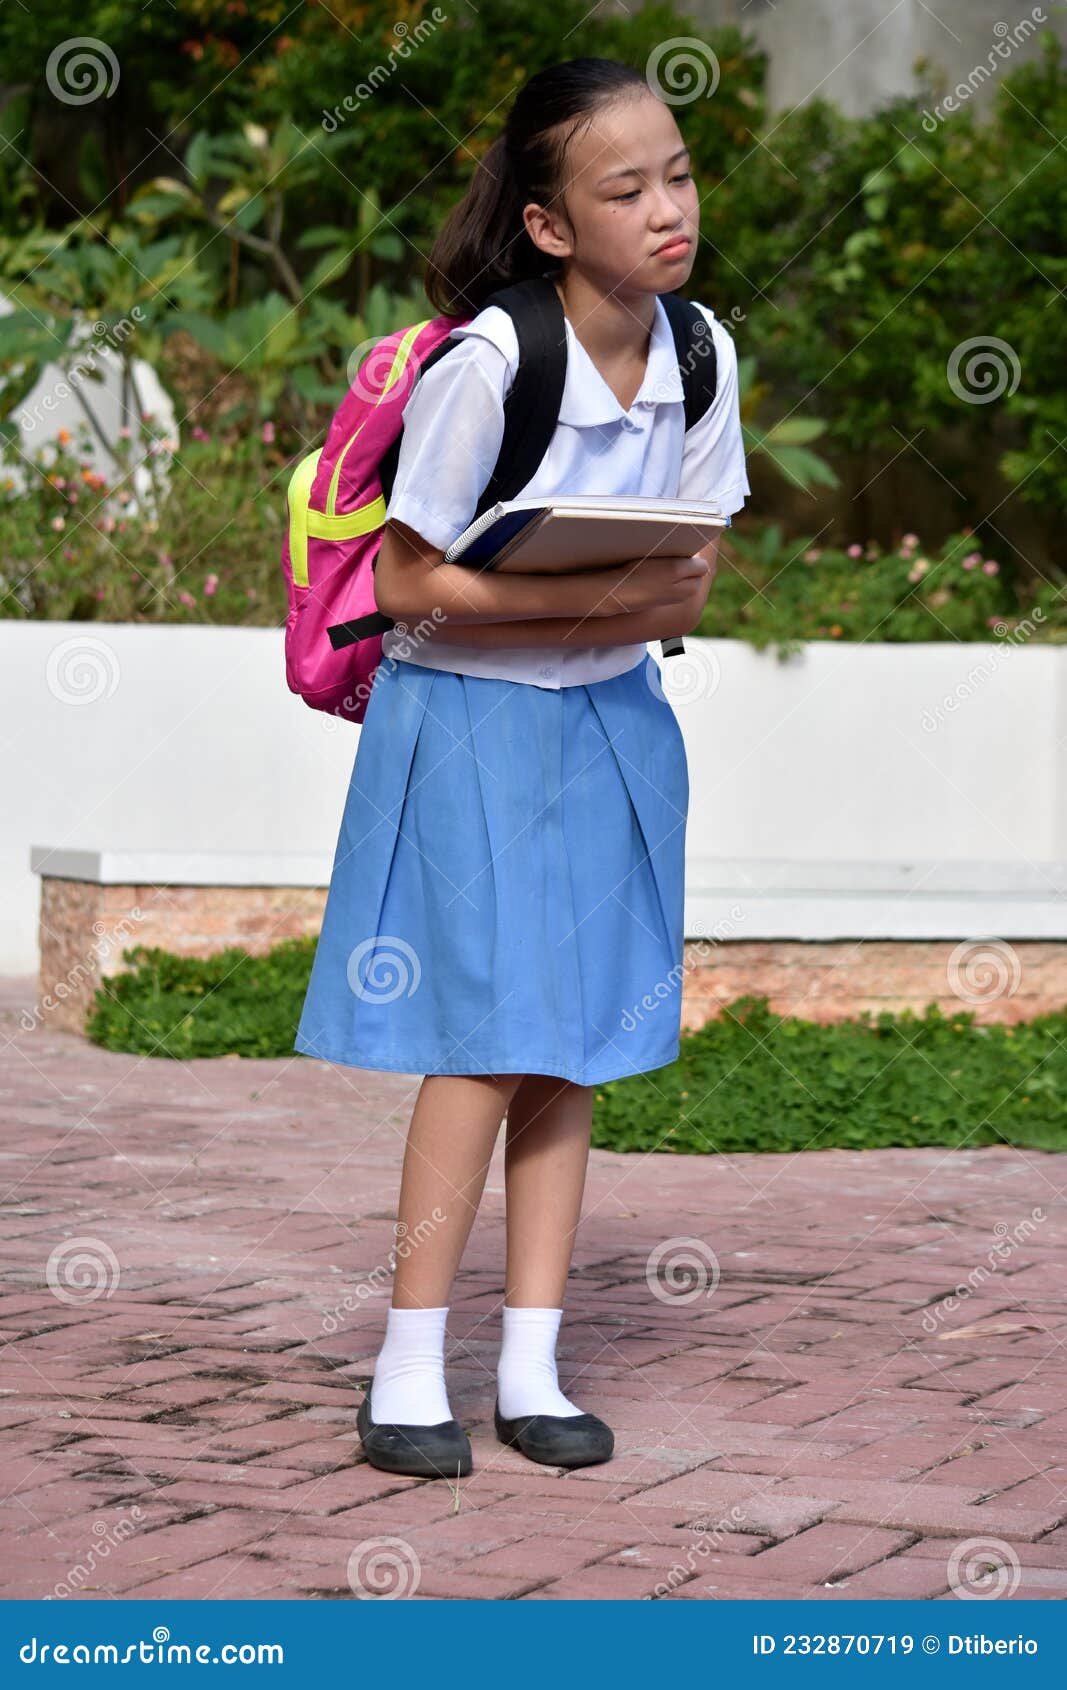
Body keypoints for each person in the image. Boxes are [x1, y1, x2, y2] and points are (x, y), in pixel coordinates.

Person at [294, 55, 750, 1480]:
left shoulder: (699, 353)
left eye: (677, 173)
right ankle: (408, 1367)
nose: (668, 208)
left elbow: (690, 585)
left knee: (575, 1052)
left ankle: (534, 1369)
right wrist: (597, 601)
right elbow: (413, 582)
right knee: (485, 1044)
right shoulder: (493, 363)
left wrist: (596, 609)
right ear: (550, 224)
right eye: (627, 189)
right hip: (471, 725)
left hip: (613, 725)